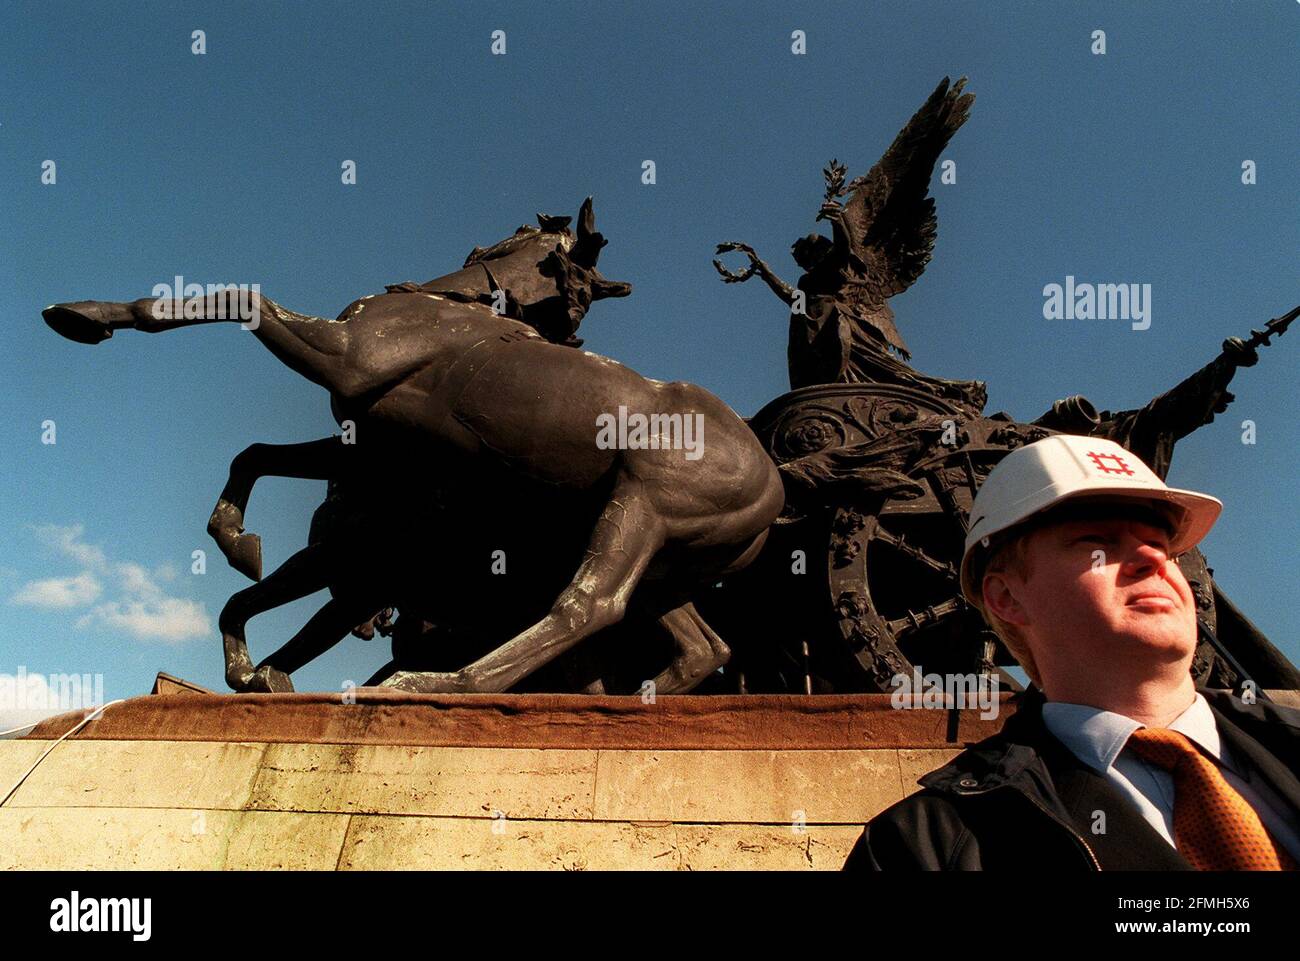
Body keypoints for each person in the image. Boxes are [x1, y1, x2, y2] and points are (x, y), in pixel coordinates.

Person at [843, 434, 1300, 870]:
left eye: (1163, 545)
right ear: (1006, 597)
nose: (1154, 560)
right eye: (1097, 543)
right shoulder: (920, 848)